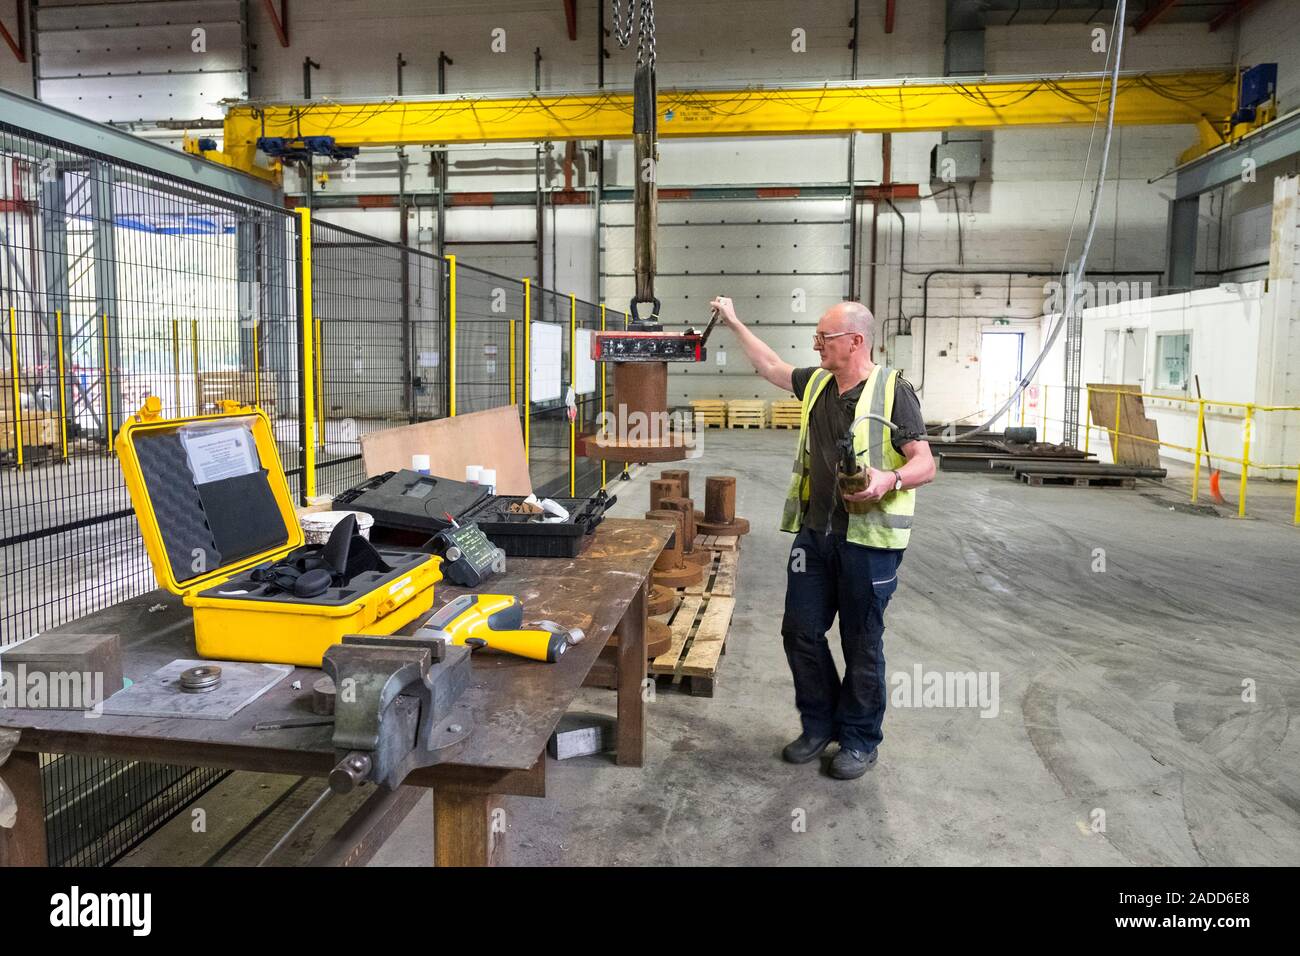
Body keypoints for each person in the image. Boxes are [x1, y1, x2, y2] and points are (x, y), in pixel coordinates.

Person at [708, 295, 935, 779]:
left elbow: (925, 462)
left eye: (823, 338)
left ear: (855, 342)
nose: (816, 345)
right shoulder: (817, 385)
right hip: (815, 535)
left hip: (868, 543)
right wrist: (734, 320)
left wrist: (887, 480)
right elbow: (770, 365)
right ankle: (820, 725)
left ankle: (858, 739)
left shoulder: (894, 390)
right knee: (801, 631)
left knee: (861, 642)